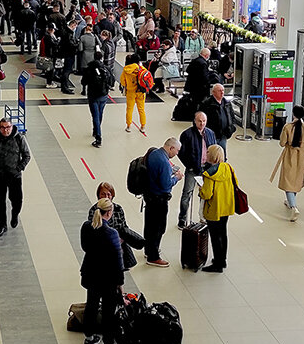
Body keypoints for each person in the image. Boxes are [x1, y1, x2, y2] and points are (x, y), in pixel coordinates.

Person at [80, 198, 128, 344]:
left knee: (91, 305)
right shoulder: (111, 234)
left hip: (91, 273)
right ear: (109, 213)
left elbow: (85, 247)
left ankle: (89, 337)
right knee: (109, 312)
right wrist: (120, 284)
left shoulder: (87, 227)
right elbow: (118, 261)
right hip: (108, 279)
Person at [0, 118, 31, 237]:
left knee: (17, 200)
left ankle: (15, 215)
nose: (5, 130)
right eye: (3, 127)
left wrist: (19, 168)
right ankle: (2, 225)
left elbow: (26, 155)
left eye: (8, 127)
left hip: (14, 176)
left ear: (11, 126)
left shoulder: (19, 138)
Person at [143, 138, 183, 267]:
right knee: (158, 228)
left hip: (149, 196)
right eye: (177, 151)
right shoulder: (164, 162)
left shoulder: (154, 153)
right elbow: (166, 185)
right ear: (171, 148)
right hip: (159, 200)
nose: (177, 154)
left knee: (149, 226)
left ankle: (148, 249)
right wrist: (176, 178)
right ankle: (153, 257)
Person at [88, 182, 145, 271]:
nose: (106, 197)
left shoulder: (118, 208)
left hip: (119, 242)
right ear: (98, 195)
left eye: (108, 194)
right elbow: (94, 232)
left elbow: (124, 226)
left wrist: (121, 239)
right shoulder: (94, 211)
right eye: (103, 194)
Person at [198, 144, 236, 273]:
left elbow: (207, 194)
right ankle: (222, 260)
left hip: (214, 209)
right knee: (223, 234)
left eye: (208, 152)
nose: (206, 154)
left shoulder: (209, 174)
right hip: (226, 206)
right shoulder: (228, 168)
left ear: (212, 155)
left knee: (215, 236)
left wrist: (200, 189)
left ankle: (217, 264)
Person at [272, 105, 304, 221]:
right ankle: (291, 201)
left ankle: (294, 207)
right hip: (302, 156)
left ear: (293, 114)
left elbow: (282, 143)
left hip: (290, 155)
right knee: (296, 179)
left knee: (288, 180)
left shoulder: (288, 127)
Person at [177, 111, 217, 229]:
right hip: (192, 169)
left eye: (204, 121)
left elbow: (213, 148)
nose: (202, 123)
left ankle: (203, 217)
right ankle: (182, 219)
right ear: (194, 121)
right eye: (199, 121)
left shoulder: (210, 133)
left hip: (207, 169)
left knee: (205, 194)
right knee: (187, 194)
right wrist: (189, 165)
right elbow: (181, 153)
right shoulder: (187, 135)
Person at [81, 55, 112, 148]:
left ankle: (98, 136)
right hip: (104, 95)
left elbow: (83, 82)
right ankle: (96, 130)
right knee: (100, 113)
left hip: (93, 96)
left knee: (95, 115)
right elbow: (111, 80)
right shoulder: (106, 68)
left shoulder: (89, 69)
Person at [199, 83, 237, 157]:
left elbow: (232, 117)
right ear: (213, 92)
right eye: (219, 90)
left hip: (223, 135)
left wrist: (232, 128)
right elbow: (199, 119)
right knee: (211, 155)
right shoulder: (206, 104)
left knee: (222, 155)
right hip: (211, 136)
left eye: (223, 90)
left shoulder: (227, 103)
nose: (222, 92)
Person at [120, 53, 147, 134]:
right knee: (141, 109)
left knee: (129, 109)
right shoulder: (142, 69)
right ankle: (143, 126)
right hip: (140, 92)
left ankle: (128, 126)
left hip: (130, 92)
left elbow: (122, 82)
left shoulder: (126, 70)